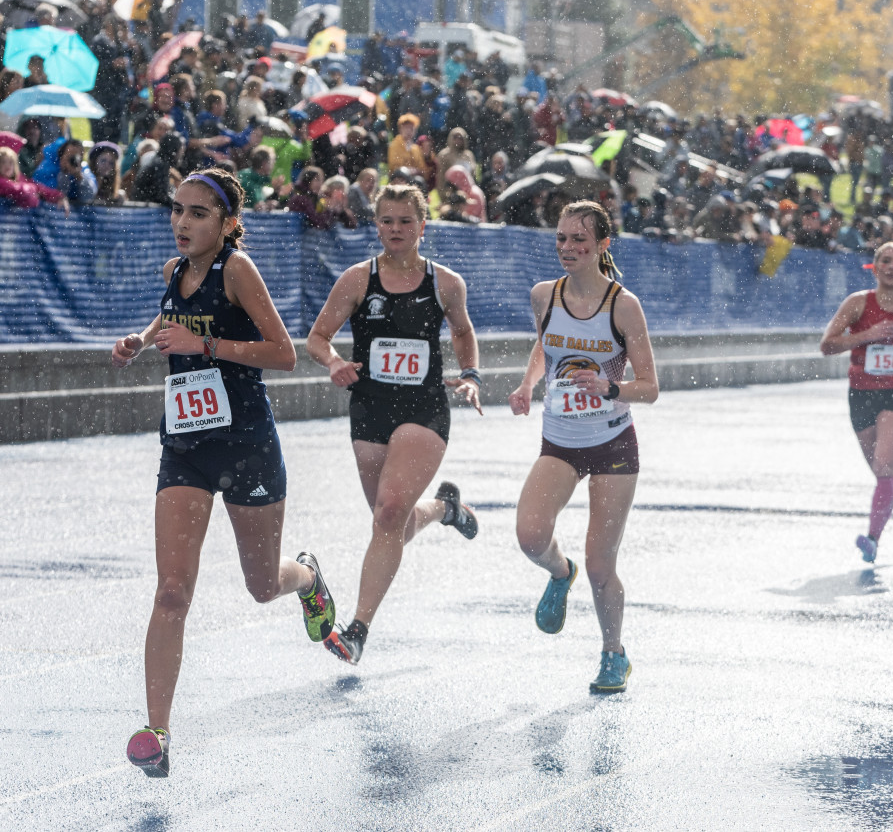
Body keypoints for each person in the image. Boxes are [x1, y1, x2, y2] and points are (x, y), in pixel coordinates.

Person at [110, 168, 337, 777]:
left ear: (228, 223)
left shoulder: (238, 271)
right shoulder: (172, 272)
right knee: (172, 590)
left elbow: (284, 354)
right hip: (185, 445)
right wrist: (142, 338)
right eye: (177, 210)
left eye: (198, 213)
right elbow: (170, 322)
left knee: (262, 585)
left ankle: (308, 578)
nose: (183, 223)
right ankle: (156, 731)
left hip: (245, 445)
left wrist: (205, 348)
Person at [306, 183, 483, 665]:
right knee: (393, 526)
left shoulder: (445, 282)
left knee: (387, 515)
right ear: (376, 224)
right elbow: (318, 337)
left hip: (423, 409)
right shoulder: (357, 280)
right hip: (370, 408)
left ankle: (358, 628)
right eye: (387, 220)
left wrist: (470, 376)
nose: (396, 229)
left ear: (423, 227)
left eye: (406, 221)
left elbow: (463, 331)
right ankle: (446, 509)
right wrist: (334, 363)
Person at [508, 200, 659, 694]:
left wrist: (610, 388)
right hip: (561, 441)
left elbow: (650, 386)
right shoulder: (542, 296)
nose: (568, 248)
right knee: (530, 536)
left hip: (614, 443)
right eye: (562, 239)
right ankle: (559, 572)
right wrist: (528, 384)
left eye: (579, 240)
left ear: (602, 246)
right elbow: (545, 347)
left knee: (601, 566)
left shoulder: (623, 305)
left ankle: (613, 653)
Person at [819, 241, 893, 563]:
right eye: (885, 260)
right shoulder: (858, 303)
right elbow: (827, 345)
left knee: (881, 465)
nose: (891, 266)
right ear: (875, 267)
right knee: (880, 465)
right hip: (861, 395)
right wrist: (866, 335)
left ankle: (872, 539)